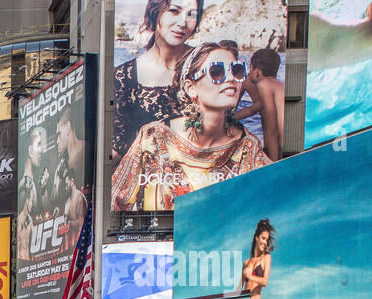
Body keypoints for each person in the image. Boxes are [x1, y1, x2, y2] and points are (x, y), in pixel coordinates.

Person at [113, 41, 270, 211]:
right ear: (190, 88)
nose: (231, 78)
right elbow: (115, 202)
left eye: (237, 70)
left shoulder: (248, 148)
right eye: (216, 71)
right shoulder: (154, 137)